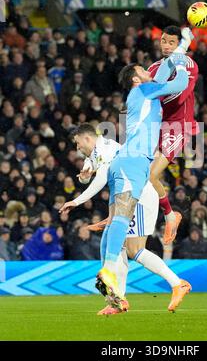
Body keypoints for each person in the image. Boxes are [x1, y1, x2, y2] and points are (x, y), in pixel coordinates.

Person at [60, 123, 191, 315]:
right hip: (127, 194)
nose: (78, 149)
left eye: (78, 144)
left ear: (87, 138)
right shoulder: (98, 151)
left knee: (134, 249)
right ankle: (118, 300)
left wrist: (77, 201)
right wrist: (84, 177)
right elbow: (89, 169)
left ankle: (177, 283)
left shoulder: (105, 149)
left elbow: (101, 178)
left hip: (137, 194)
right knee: (116, 244)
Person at [147, 25, 198, 245]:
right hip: (157, 128)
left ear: (180, 44)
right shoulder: (153, 68)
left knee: (150, 175)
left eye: (171, 42)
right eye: (163, 41)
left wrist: (154, 92)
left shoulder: (189, 65)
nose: (166, 46)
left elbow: (177, 97)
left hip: (178, 127)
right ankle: (118, 217)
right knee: (137, 175)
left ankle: (170, 216)